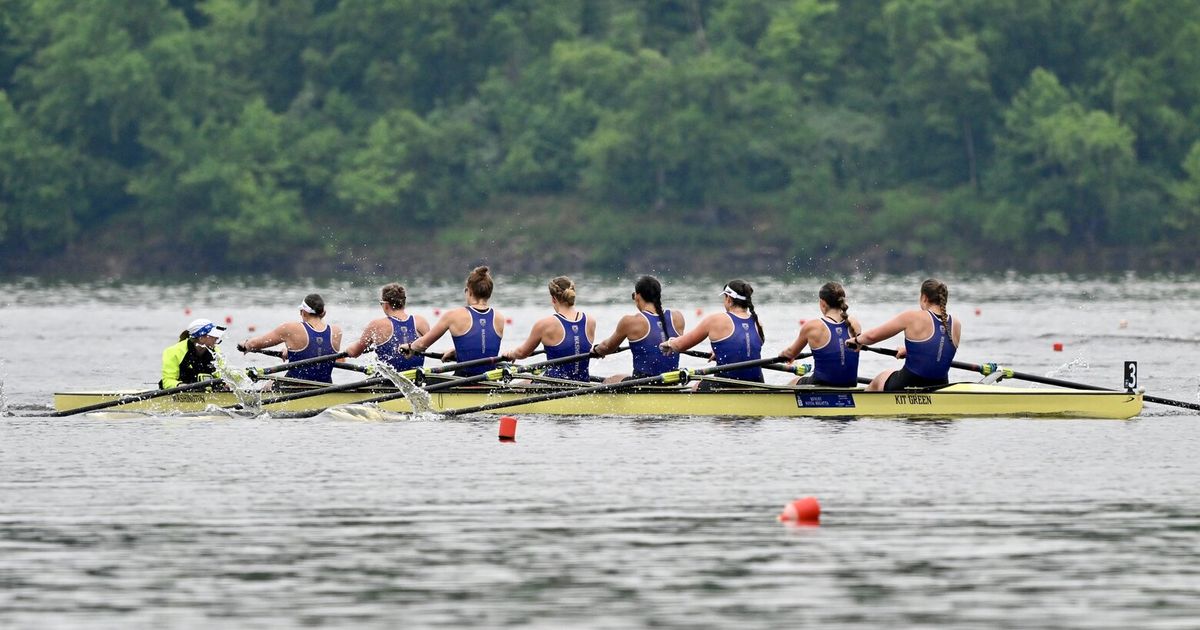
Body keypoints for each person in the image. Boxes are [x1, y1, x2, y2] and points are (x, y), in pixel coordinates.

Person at [847, 278, 961, 391]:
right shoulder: (956, 324)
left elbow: (872, 336)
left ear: (924, 298)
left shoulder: (912, 317)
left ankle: (861, 407)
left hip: (909, 382)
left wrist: (856, 340)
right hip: (940, 386)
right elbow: (938, 351)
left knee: (881, 377)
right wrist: (910, 351)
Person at [399, 266, 504, 376]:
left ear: (469, 291)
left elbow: (422, 345)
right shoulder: (499, 318)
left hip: (463, 382)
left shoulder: (453, 315)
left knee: (429, 382)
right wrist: (457, 351)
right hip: (490, 383)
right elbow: (483, 347)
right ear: (489, 293)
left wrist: (409, 347)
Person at [659, 280, 764, 389]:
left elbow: (680, 345)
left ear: (728, 299)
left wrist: (670, 343)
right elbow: (749, 348)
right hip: (758, 384)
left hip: (726, 384)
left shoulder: (716, 320)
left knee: (695, 387)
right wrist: (724, 350)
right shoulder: (758, 323)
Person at [592, 275, 687, 383]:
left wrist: (595, 350)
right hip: (672, 382)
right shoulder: (677, 317)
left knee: (609, 381)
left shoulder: (630, 321)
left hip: (643, 385)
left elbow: (607, 347)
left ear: (637, 296)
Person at [502, 276, 596, 382]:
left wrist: (510, 354)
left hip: (552, 387)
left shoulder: (545, 324)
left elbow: (522, 353)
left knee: (525, 382)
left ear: (553, 299)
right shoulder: (590, 321)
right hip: (583, 384)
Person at [237, 293, 343, 383]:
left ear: (304, 312)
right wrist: (292, 352)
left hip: (293, 387)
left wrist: (246, 344)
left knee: (267, 386)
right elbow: (315, 348)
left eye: (300, 312)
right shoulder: (336, 331)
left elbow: (254, 344)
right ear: (323, 313)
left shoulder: (290, 328)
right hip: (325, 387)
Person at [778, 282, 861, 387]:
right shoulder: (855, 323)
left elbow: (791, 353)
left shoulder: (813, 326)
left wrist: (782, 355)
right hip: (850, 384)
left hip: (821, 384)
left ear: (822, 303)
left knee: (793, 382)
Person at [344, 283, 430, 371]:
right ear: (403, 302)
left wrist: (346, 350)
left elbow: (355, 352)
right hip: (416, 380)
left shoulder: (376, 325)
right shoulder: (421, 321)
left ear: (385, 304)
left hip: (388, 382)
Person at [160, 318, 226, 389]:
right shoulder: (173, 352)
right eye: (212, 335)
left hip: (208, 394)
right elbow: (167, 381)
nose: (217, 337)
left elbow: (222, 376)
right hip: (180, 394)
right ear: (201, 338)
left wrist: (226, 384)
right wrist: (181, 386)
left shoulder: (216, 352)